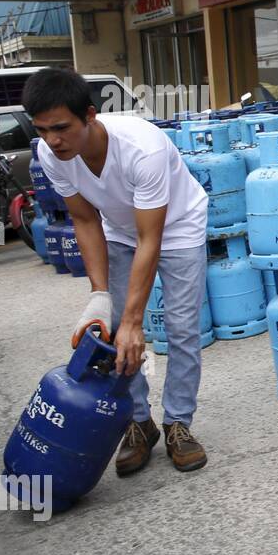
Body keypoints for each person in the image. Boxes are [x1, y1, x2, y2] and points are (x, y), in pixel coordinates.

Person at [24, 67, 210, 475]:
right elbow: (85, 221)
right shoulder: (50, 154)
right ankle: (139, 423)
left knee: (180, 328)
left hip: (177, 228)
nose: (52, 141)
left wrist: (133, 318)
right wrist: (100, 296)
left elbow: (152, 238)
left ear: (89, 114)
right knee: (117, 337)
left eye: (61, 128)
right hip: (119, 229)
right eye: (41, 130)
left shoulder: (142, 147)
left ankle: (179, 422)